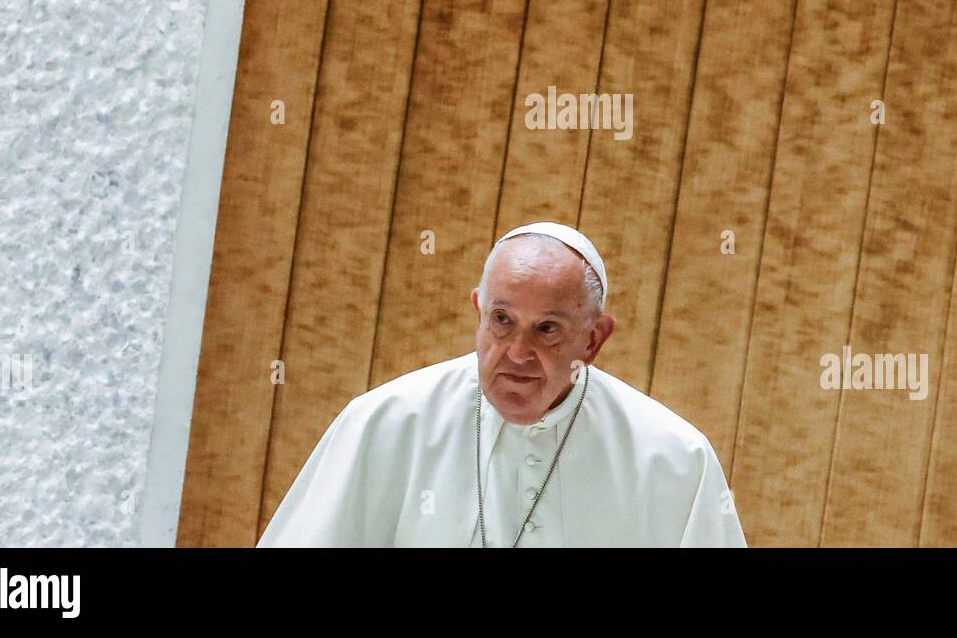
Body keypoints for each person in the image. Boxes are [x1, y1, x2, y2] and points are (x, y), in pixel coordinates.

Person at [256, 221, 747, 547]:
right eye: (502, 320)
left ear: (593, 339)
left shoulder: (673, 459)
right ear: (478, 310)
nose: (517, 352)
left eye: (547, 329)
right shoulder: (386, 421)